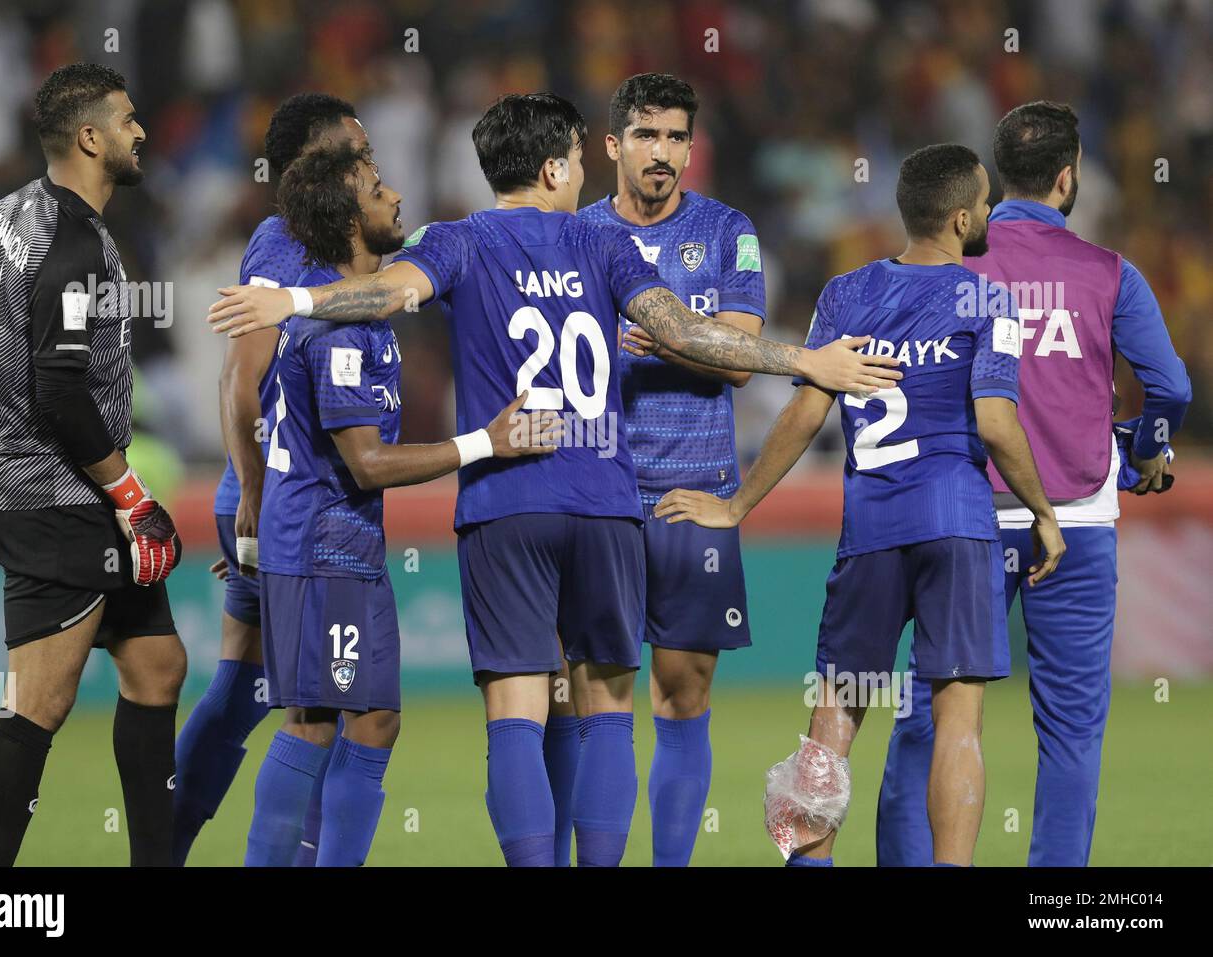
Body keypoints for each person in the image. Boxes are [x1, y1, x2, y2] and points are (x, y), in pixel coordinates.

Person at [208, 92, 901, 866]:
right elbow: (685, 331)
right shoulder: (601, 244)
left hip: (505, 503)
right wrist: (805, 359)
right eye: (576, 156)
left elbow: (390, 291)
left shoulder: (457, 241)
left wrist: (295, 297)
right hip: (605, 499)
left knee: (517, 709)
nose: (581, 171)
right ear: (554, 166)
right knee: (606, 704)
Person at [656, 144, 1066, 867]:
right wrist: (1043, 511)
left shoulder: (845, 293)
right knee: (957, 721)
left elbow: (805, 414)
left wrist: (737, 504)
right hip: (958, 524)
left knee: (834, 716)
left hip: (871, 531)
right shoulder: (987, 297)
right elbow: (998, 423)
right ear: (964, 215)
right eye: (986, 202)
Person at [876, 103, 1193, 867]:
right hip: (1078, 522)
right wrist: (1145, 449)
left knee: (928, 715)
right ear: (1067, 175)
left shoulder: (955, 265)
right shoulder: (1111, 272)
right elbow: (1170, 386)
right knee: (1072, 730)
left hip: (966, 515)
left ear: (994, 178)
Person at [244, 141, 560, 865]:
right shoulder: (342, 331)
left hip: (337, 545)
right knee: (320, 722)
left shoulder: (358, 306)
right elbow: (367, 462)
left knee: (365, 718)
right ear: (348, 219)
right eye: (378, 188)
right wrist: (488, 442)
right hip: (324, 547)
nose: (395, 196)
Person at [0, 63, 185, 866]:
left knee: (157, 666)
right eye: (126, 120)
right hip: (65, 496)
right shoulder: (78, 243)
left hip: (37, 480)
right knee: (36, 705)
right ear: (90, 137)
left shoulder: (7, 217)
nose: (139, 130)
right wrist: (131, 495)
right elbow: (58, 386)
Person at [570, 73, 765, 867]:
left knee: (681, 694)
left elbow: (745, 356)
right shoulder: (575, 234)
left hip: (697, 493)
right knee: (595, 701)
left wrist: (669, 335)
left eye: (677, 137)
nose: (663, 153)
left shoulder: (726, 230)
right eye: (647, 135)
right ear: (612, 144)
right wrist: (690, 336)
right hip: (601, 496)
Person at [172, 92, 369, 867]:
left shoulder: (310, 238)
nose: (370, 162)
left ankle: (165, 846)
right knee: (332, 706)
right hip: (293, 501)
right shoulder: (288, 244)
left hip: (279, 498)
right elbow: (238, 380)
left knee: (242, 687)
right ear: (313, 165)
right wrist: (256, 498)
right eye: (355, 151)